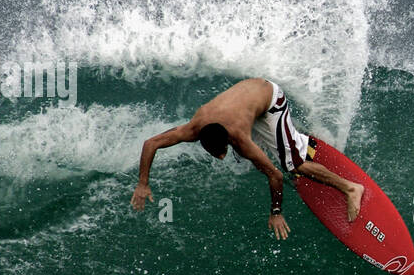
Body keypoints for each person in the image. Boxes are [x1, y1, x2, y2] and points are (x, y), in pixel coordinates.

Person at [130, 78, 363, 239]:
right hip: (248, 98)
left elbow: (275, 176)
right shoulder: (192, 129)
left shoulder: (240, 138)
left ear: (229, 140)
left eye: (223, 151)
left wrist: (276, 212)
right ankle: (294, 141)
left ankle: (350, 188)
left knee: (293, 165)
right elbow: (151, 143)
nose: (221, 157)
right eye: (216, 153)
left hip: (270, 99)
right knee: (266, 155)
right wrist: (142, 183)